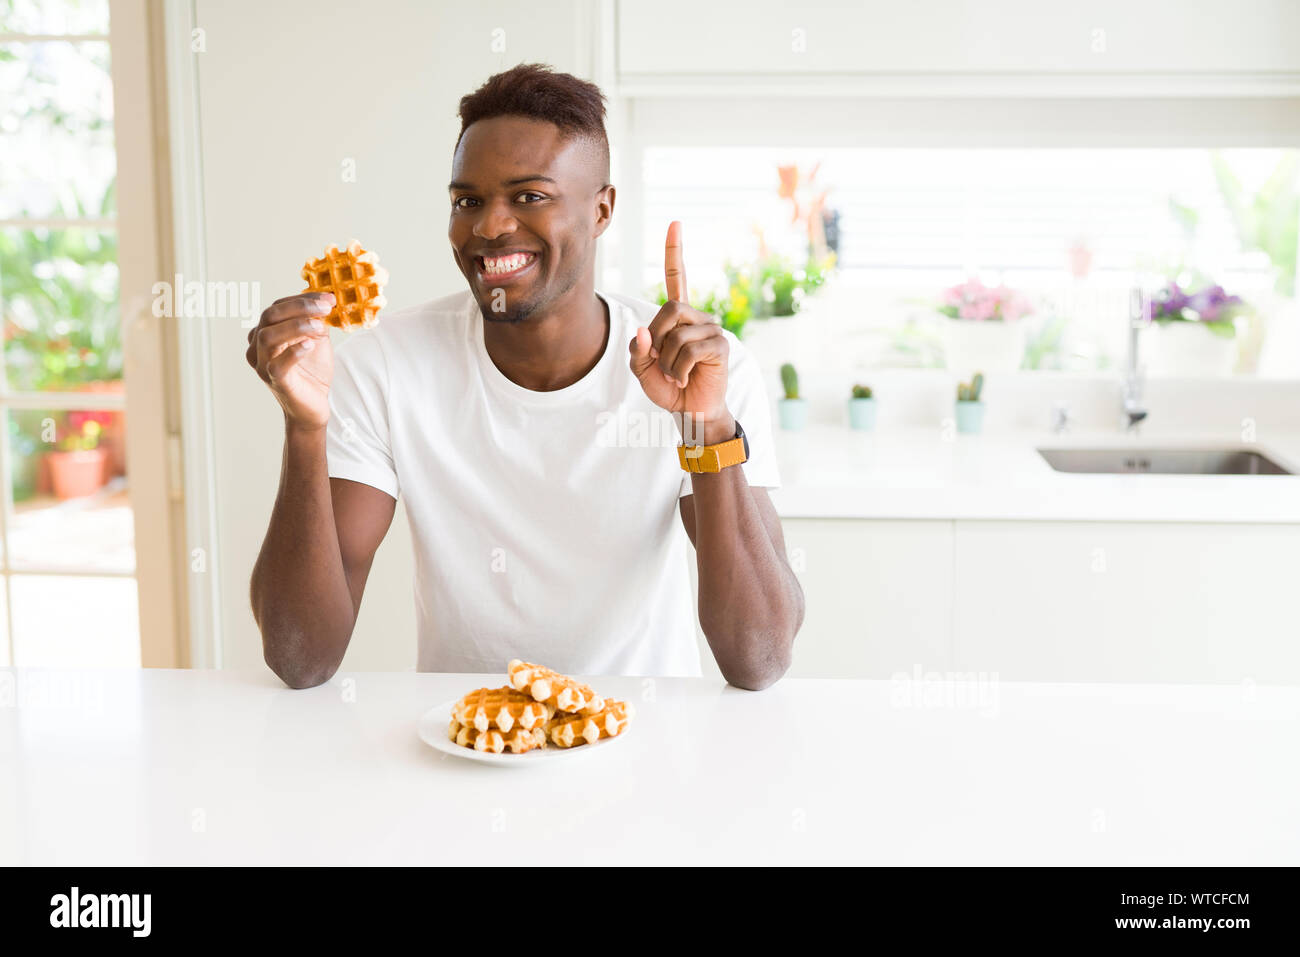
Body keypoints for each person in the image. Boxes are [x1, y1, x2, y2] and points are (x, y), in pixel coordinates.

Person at [246, 63, 803, 689]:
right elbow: (300, 658)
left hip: (647, 744)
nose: (488, 226)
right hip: (465, 744)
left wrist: (706, 426)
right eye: (468, 201)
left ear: (601, 210)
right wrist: (303, 429)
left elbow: (758, 659)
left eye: (530, 196)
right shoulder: (383, 365)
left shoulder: (699, 369)